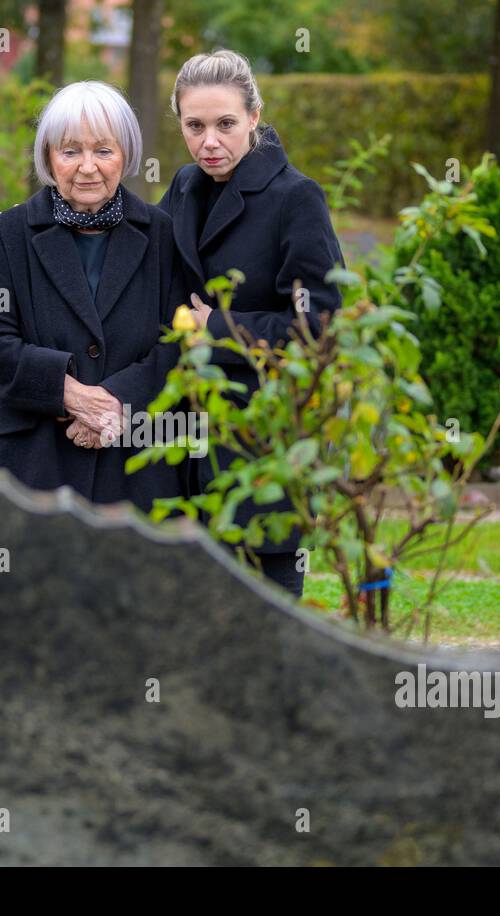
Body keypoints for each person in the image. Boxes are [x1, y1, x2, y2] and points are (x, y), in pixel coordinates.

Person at [153, 50, 345, 599]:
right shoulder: (185, 186)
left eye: (225, 124)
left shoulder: (296, 198)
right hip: (188, 437)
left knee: (267, 620)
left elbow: (321, 325)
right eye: (195, 126)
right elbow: (141, 258)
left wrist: (216, 328)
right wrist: (33, 227)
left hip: (265, 442)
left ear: (254, 117)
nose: (209, 141)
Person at [0, 81, 183, 511]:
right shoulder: (12, 233)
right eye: (70, 151)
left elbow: (177, 341)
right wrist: (69, 394)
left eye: (103, 150)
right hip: (32, 457)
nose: (87, 167)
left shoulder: (161, 234)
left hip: (134, 460)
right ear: (49, 156)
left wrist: (116, 401)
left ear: (126, 154)